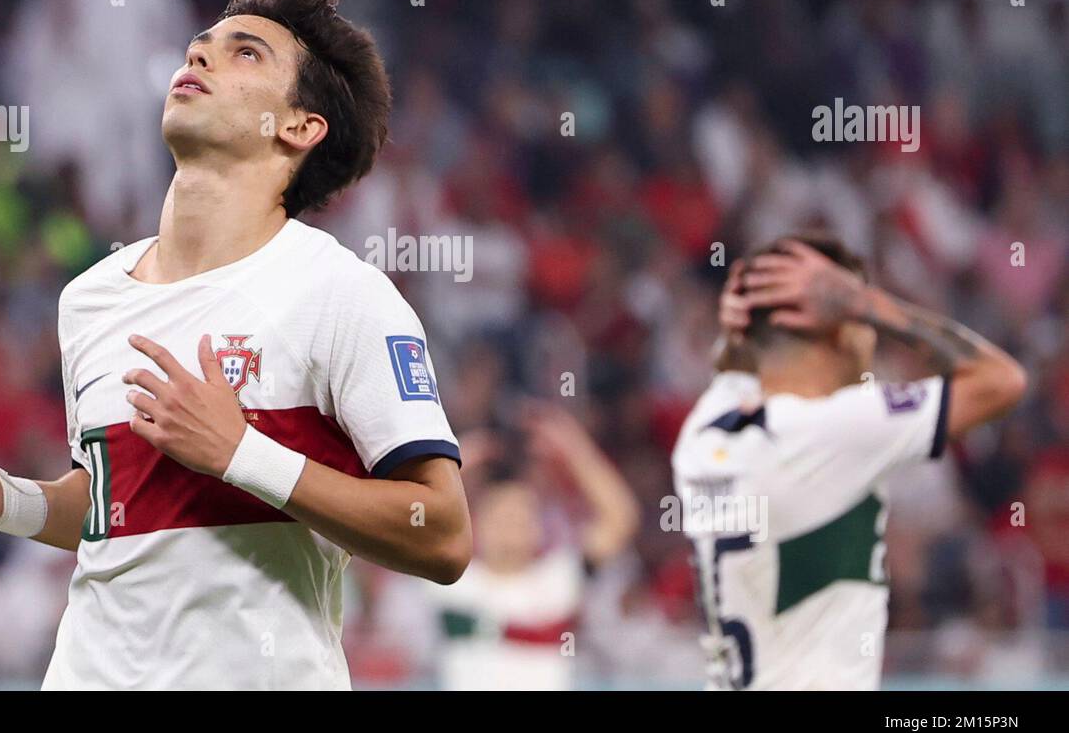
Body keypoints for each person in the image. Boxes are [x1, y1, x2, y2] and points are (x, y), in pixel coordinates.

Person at [0, 0, 471, 690]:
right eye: (198, 47)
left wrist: (243, 454)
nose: (197, 58)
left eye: (246, 54)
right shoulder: (90, 300)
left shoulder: (342, 295)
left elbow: (443, 534)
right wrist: (8, 500)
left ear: (298, 126)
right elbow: (124, 509)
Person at [672, 234, 1026, 690]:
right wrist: (870, 302)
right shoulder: (834, 431)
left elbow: (738, 368)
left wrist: (742, 330)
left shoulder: (704, 430)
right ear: (838, 327)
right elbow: (1003, 381)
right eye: (859, 319)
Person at [427, 404, 638, 690]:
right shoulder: (450, 581)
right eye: (501, 516)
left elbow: (621, 518)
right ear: (477, 523)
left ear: (538, 527)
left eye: (520, 518)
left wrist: (574, 448)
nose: (510, 528)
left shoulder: (558, 580)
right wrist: (456, 461)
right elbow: (412, 521)